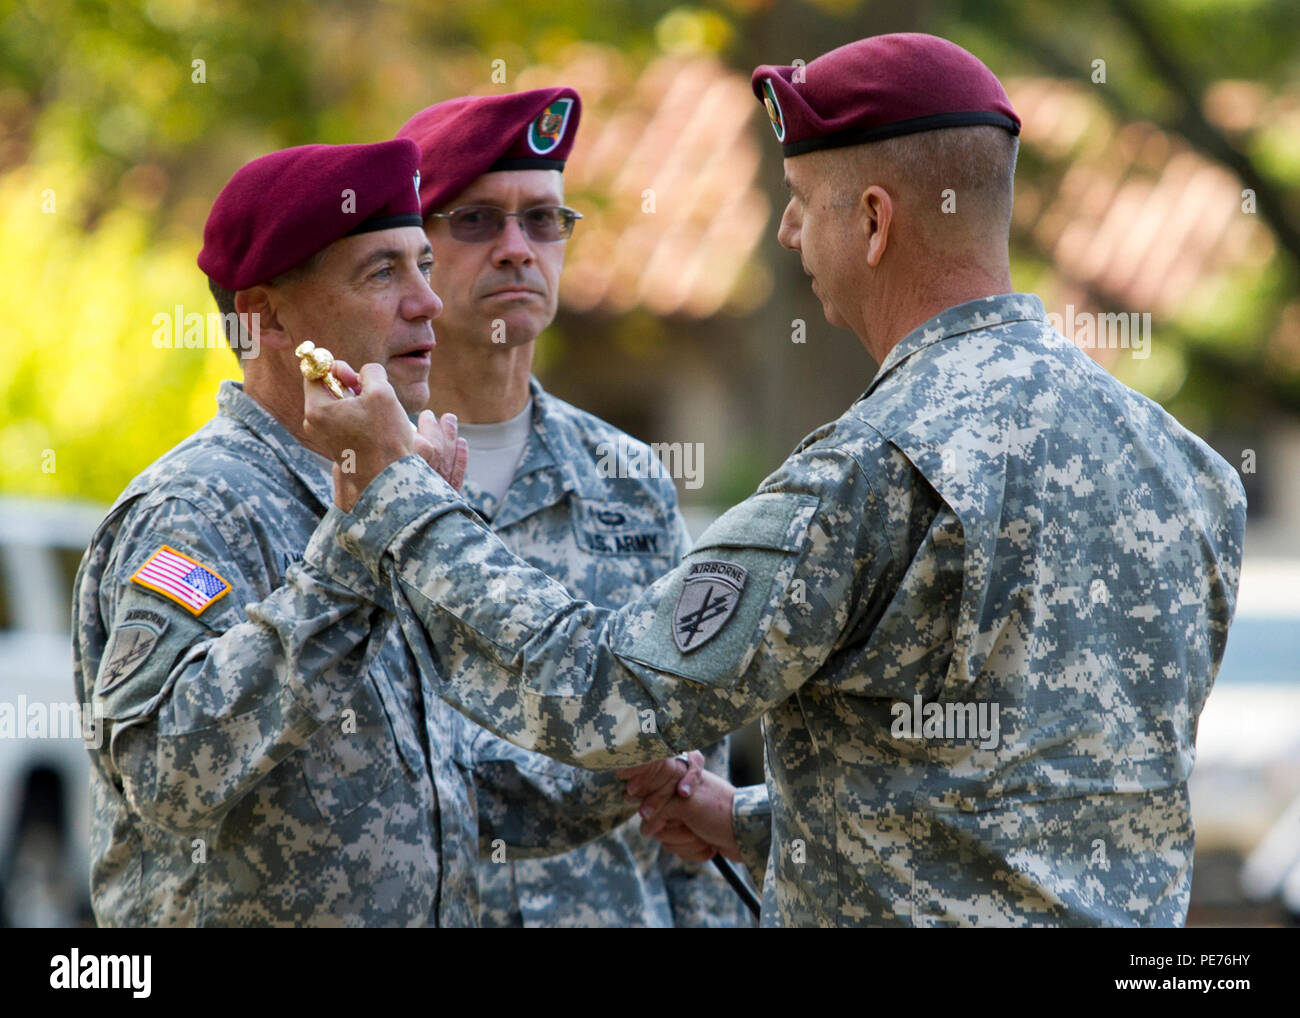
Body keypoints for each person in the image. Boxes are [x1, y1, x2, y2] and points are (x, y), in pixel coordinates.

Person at [277, 34, 1247, 927]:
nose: (786, 234)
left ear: (871, 221)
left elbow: (596, 692)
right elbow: (1014, 805)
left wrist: (404, 492)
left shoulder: (869, 473)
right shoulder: (1191, 471)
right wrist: (737, 818)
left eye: (799, 201)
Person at [70, 138, 695, 927]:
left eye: (425, 267)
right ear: (266, 317)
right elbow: (167, 770)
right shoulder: (197, 505)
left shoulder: (385, 490)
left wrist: (621, 774)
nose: (427, 302)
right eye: (382, 273)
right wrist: (356, 545)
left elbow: (444, 795)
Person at [394, 89, 750, 927]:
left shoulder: (628, 475)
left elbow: (694, 770)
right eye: (477, 221)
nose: (518, 250)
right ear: (413, 252)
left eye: (544, 221)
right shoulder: (356, 470)